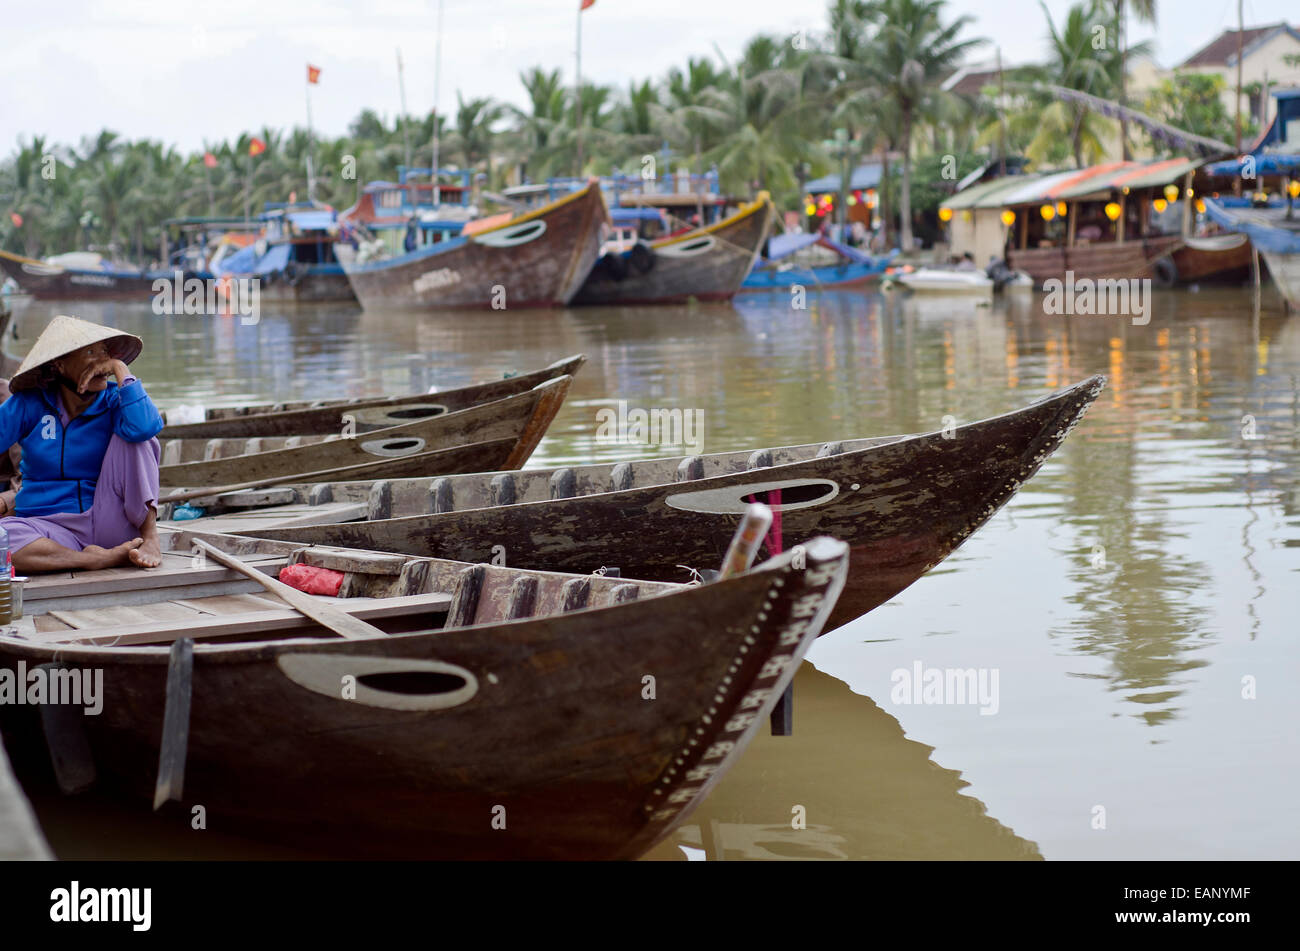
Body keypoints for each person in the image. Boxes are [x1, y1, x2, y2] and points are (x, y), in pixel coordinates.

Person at [0, 315, 164, 571]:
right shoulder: (28, 404)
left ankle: (150, 537)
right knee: (2, 538)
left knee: (139, 437)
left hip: (110, 519)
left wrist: (121, 369)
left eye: (105, 352)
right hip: (47, 526)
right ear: (59, 365)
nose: (102, 361)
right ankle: (96, 559)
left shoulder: (115, 399)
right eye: (90, 351)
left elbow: (146, 427)